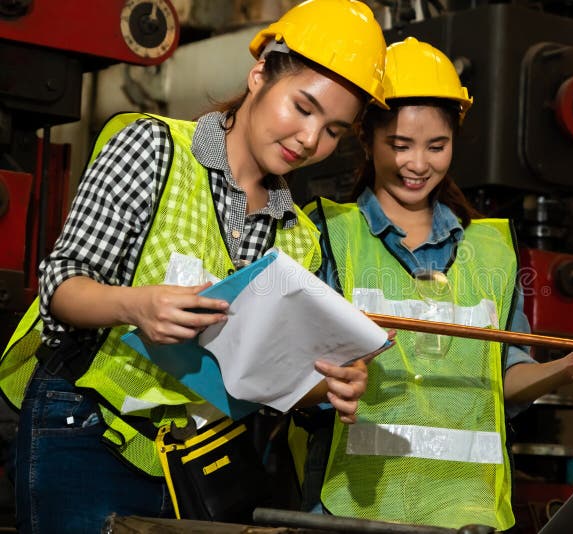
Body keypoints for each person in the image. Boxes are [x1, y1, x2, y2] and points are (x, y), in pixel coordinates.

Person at [0, 1, 387, 531]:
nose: (309, 138)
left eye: (333, 130)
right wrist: (134, 304)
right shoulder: (154, 148)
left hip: (198, 462)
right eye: (302, 107)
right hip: (87, 429)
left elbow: (263, 373)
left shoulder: (300, 239)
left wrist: (325, 387)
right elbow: (61, 284)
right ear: (258, 77)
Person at [303, 37, 573, 530]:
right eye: (399, 145)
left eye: (436, 146)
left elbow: (500, 379)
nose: (418, 164)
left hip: (469, 512)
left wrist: (567, 366)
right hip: (355, 506)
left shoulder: (492, 251)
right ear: (367, 138)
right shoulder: (329, 236)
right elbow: (293, 375)